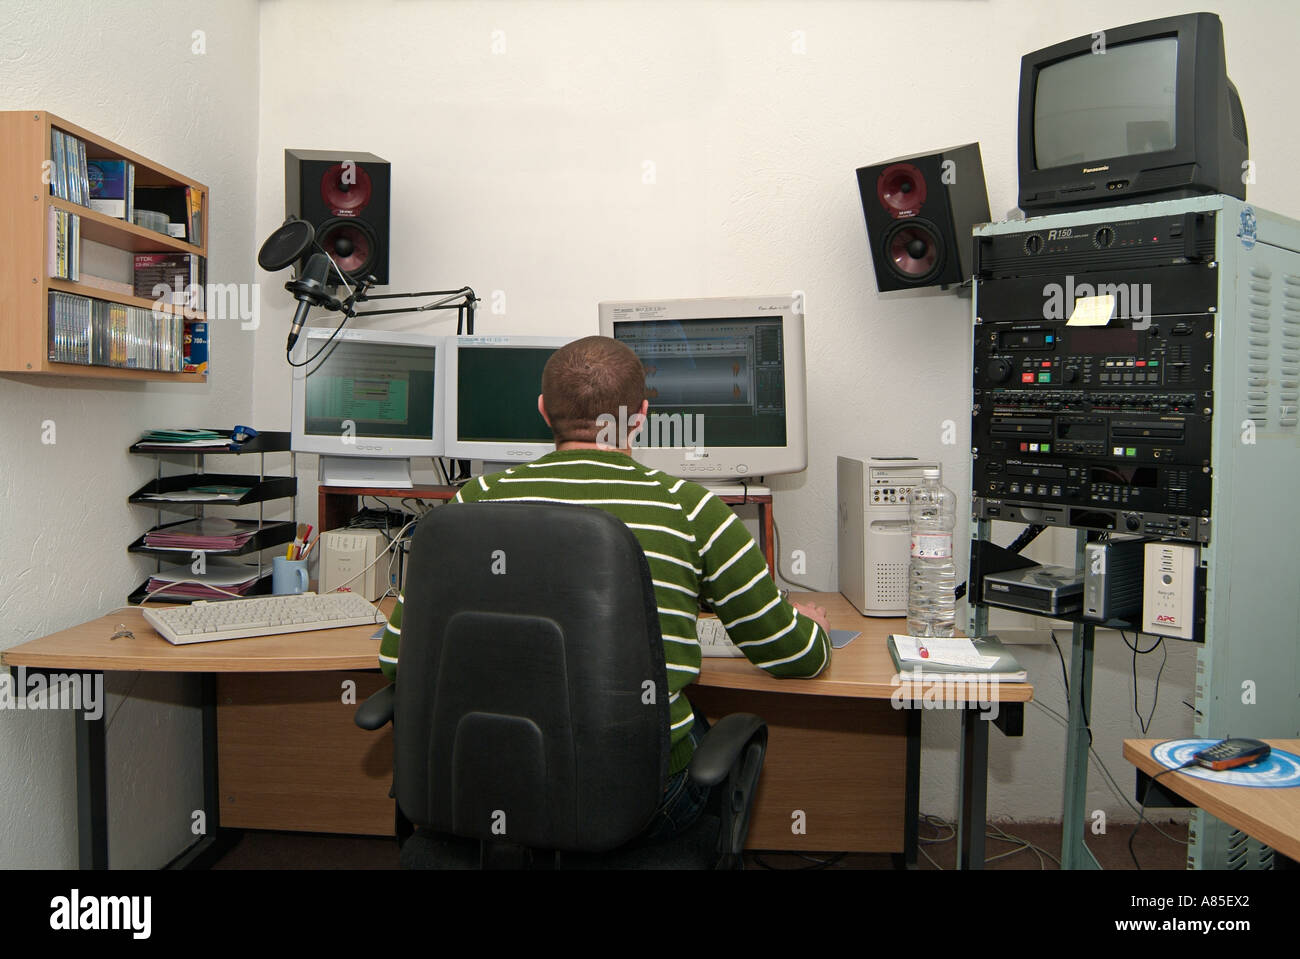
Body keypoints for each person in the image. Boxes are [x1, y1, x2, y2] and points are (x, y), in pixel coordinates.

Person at [379, 335, 832, 840]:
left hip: (488, 778)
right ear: (640, 415)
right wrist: (813, 629)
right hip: (639, 798)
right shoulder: (693, 510)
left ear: (543, 409)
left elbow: (396, 660)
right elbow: (795, 658)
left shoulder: (470, 504)